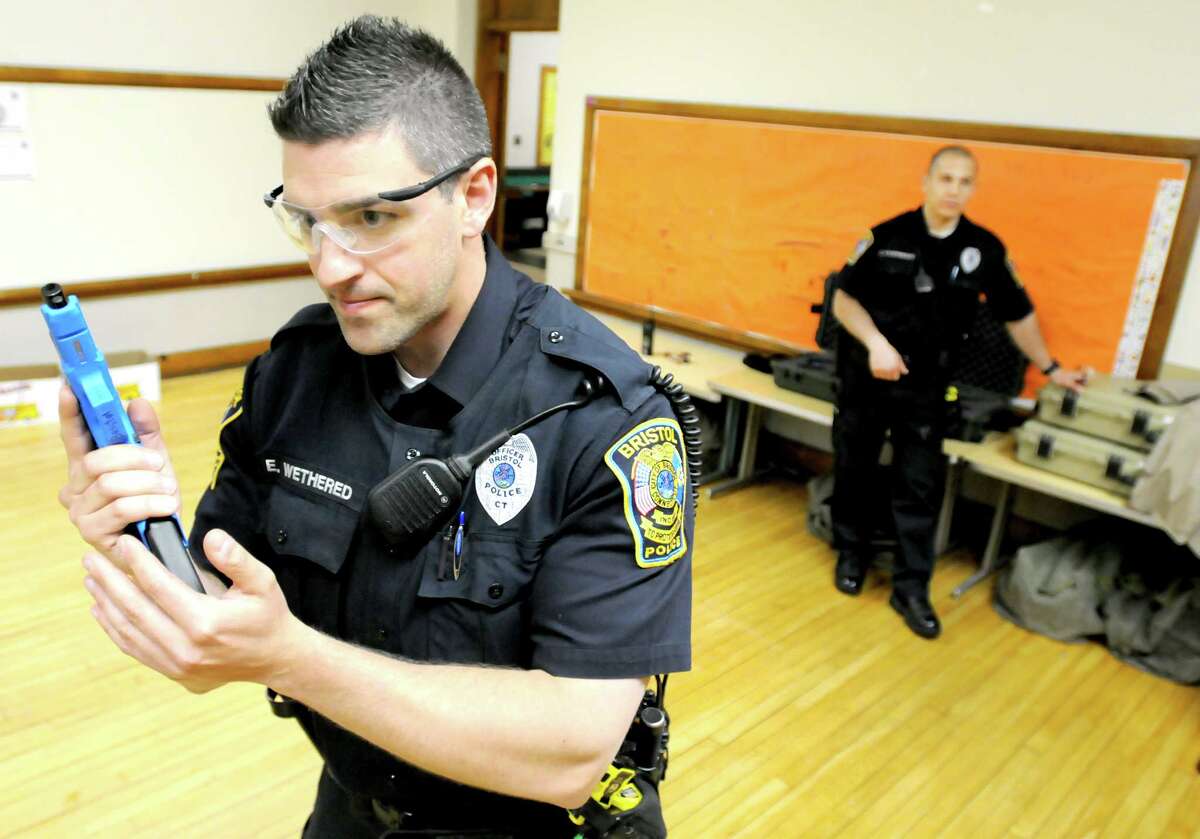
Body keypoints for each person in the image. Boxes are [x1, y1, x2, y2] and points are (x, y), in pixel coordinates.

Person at [56, 17, 693, 838]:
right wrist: (140, 528)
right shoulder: (294, 371)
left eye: (372, 218)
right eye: (307, 220)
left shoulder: (607, 416)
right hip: (352, 812)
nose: (330, 264)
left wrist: (291, 656)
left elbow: (574, 748)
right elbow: (222, 604)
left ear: (474, 196)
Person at [830, 145, 1086, 640]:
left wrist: (1052, 368)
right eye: (945, 178)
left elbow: (1018, 314)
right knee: (855, 470)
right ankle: (851, 555)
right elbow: (843, 299)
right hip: (868, 377)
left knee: (919, 487)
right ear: (926, 182)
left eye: (964, 181)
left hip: (927, 389)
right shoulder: (886, 236)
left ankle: (911, 588)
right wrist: (876, 344)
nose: (953, 189)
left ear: (973, 189)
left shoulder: (984, 250)